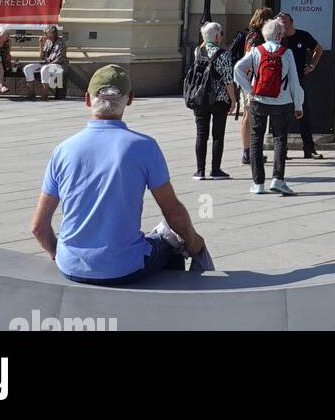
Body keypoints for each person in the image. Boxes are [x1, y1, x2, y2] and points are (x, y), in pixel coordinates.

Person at [31, 64, 208, 285]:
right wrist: (194, 242)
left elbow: (38, 226)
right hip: (124, 267)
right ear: (131, 99)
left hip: (70, 267)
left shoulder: (63, 150)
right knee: (172, 246)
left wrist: (63, 256)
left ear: (87, 99)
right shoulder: (144, 147)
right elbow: (173, 212)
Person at [233, 18, 304, 197]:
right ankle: (278, 180)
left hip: (259, 100)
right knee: (280, 139)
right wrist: (298, 105)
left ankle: (258, 183)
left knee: (256, 139)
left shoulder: (257, 51)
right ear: (280, 35)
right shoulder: (286, 53)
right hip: (282, 101)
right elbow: (295, 82)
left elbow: (237, 69)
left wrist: (250, 90)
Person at [189, 21, 237, 181]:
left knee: (201, 134)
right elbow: (228, 79)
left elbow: (205, 45)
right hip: (219, 99)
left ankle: (199, 170)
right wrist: (233, 99)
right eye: (221, 33)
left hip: (200, 98)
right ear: (216, 36)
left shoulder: (198, 51)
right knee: (218, 135)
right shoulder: (223, 54)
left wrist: (207, 36)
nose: (222, 36)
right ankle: (215, 170)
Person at [278, 13, 325, 160]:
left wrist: (312, 64)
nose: (282, 25)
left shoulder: (302, 36)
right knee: (281, 116)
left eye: (284, 22)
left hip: (298, 80)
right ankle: (282, 150)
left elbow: (318, 49)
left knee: (304, 114)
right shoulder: (278, 39)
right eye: (279, 23)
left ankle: (309, 149)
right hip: (282, 83)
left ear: (291, 22)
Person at [233, 6, 273, 167]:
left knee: (250, 116)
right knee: (249, 115)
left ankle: (250, 150)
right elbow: (252, 60)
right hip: (251, 81)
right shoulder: (256, 37)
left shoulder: (252, 35)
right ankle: (248, 152)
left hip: (249, 80)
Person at [22, 25, 67, 99]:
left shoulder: (61, 42)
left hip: (59, 65)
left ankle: (45, 94)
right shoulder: (48, 42)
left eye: (46, 33)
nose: (45, 35)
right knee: (27, 68)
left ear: (52, 34)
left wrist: (45, 65)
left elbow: (59, 59)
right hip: (47, 63)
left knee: (44, 69)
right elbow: (42, 57)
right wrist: (41, 44)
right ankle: (31, 93)